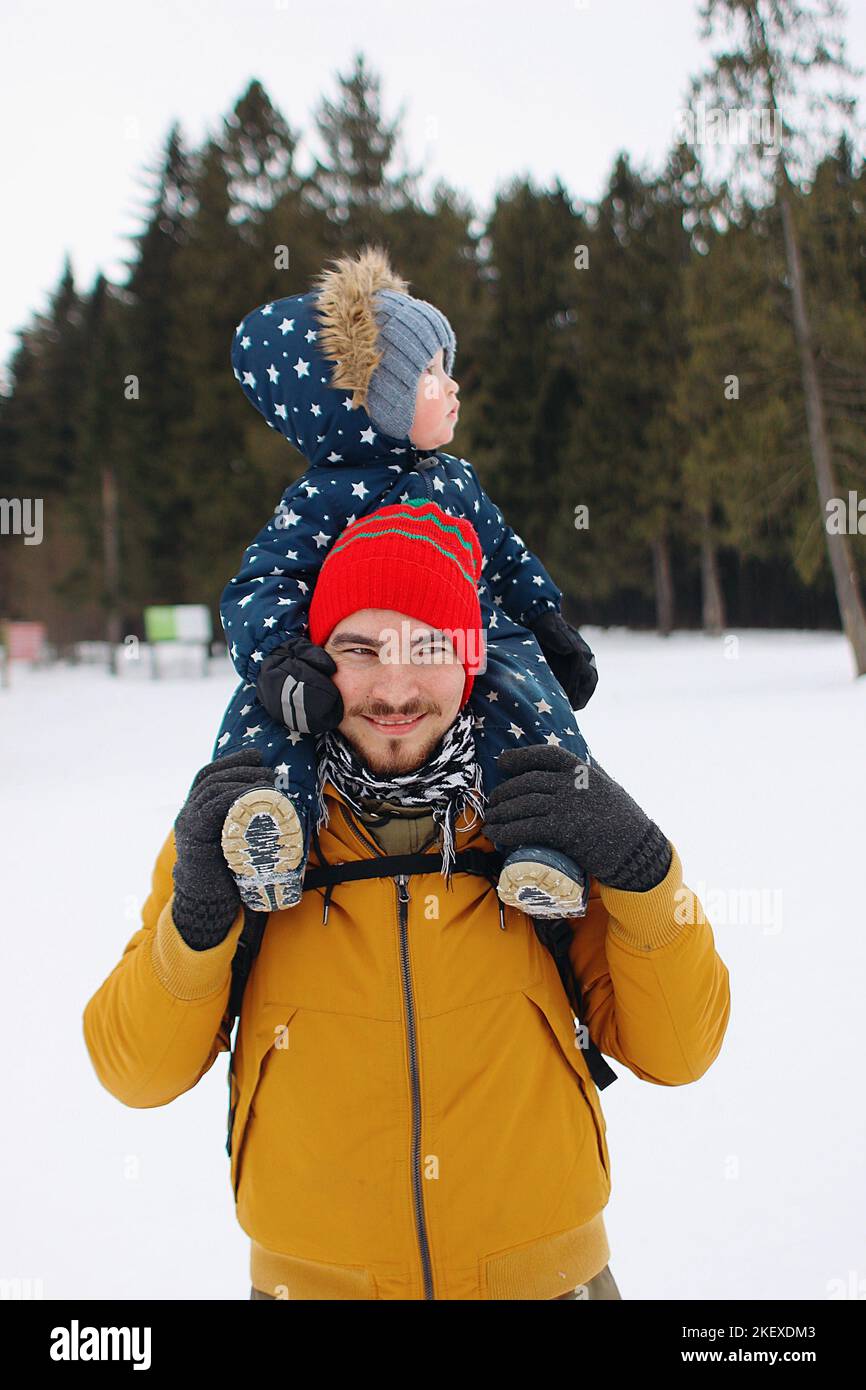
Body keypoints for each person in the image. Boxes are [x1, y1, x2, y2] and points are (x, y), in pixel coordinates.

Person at [82, 504, 731, 1301]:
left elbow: (680, 1052)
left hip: (548, 1285)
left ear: (471, 661)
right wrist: (198, 920)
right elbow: (134, 1071)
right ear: (320, 664)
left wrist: (644, 872)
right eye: (360, 650)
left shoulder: (545, 819)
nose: (395, 689)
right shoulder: (247, 828)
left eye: (428, 648)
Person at [214, 244, 599, 922]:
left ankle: (545, 844)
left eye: (447, 370)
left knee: (531, 699)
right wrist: (278, 655)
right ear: (375, 403)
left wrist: (544, 621)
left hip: (469, 634)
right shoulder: (325, 495)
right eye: (430, 374)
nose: (451, 387)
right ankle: (270, 826)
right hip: (346, 649)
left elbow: (503, 554)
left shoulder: (456, 479)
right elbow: (263, 579)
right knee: (270, 712)